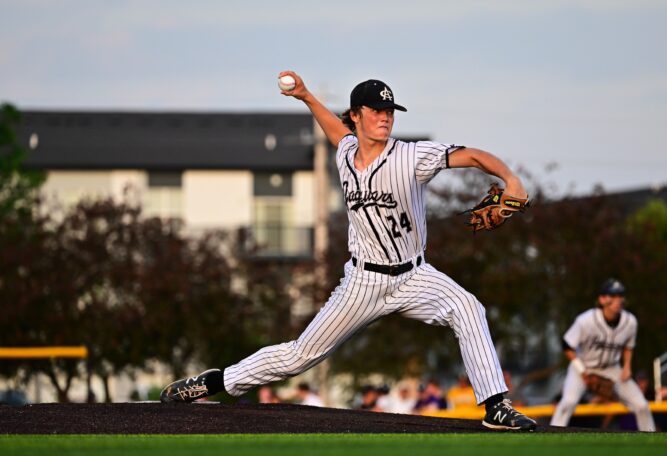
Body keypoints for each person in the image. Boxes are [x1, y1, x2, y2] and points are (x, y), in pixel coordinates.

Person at [159, 71, 536, 431]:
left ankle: (496, 406)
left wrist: (510, 179)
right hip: (363, 281)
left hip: (414, 275)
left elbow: (472, 155)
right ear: (356, 116)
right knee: (299, 356)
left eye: (389, 111)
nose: (385, 118)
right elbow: (335, 131)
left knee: (467, 307)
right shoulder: (346, 152)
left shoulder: (412, 157)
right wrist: (306, 96)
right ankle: (214, 382)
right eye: (376, 111)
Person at [550, 279, 656, 432]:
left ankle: (651, 438)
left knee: (641, 404)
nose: (617, 299)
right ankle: (552, 437)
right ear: (601, 299)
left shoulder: (630, 322)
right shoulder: (586, 320)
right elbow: (567, 345)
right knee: (569, 402)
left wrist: (627, 367)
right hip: (583, 366)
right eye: (612, 295)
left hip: (611, 368)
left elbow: (629, 345)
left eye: (620, 295)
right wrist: (582, 370)